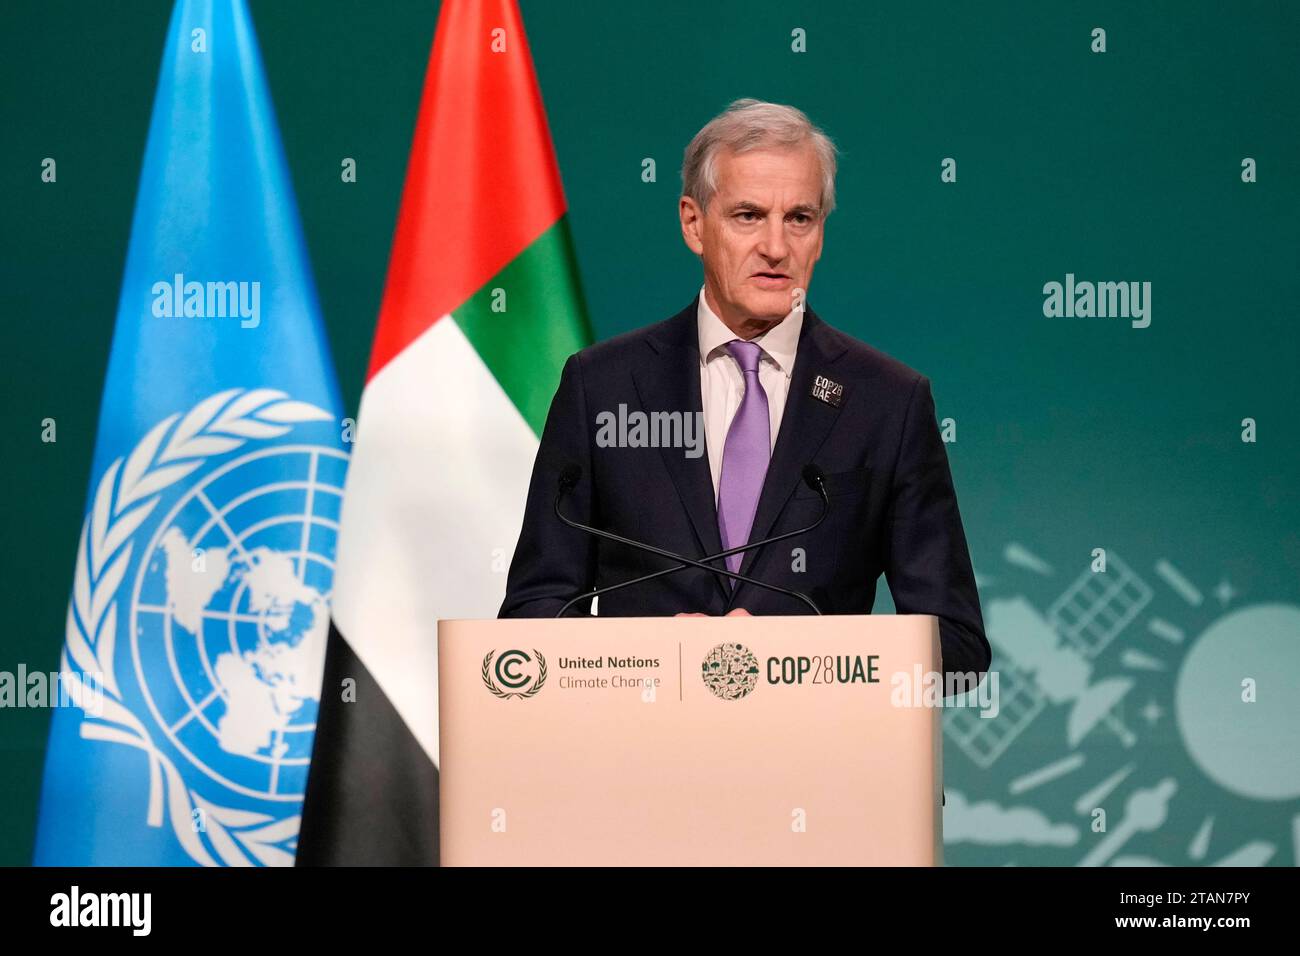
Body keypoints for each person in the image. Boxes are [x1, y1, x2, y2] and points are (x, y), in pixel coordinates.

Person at [500, 98, 989, 680]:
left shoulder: (887, 402)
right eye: (749, 215)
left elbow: (957, 648)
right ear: (693, 224)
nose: (777, 248)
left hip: (815, 760)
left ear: (821, 234)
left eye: (800, 219)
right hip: (643, 753)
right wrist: (651, 660)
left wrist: (795, 659)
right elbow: (534, 615)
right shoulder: (602, 388)